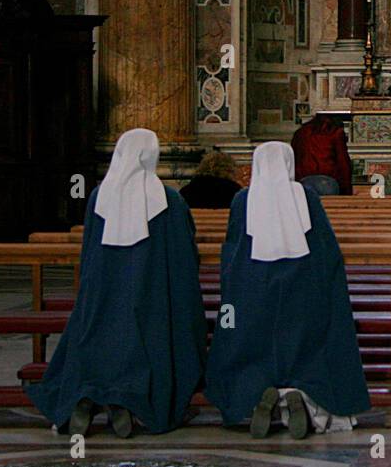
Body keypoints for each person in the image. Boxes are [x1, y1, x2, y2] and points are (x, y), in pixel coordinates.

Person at [26, 129, 207, 438]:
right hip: (151, 300)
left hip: (103, 297)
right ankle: (128, 401)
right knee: (156, 342)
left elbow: (90, 253)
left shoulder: (99, 197)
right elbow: (184, 258)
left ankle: (89, 396)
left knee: (94, 337)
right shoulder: (170, 201)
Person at [204, 141, 371, 438]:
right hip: (302, 292)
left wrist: (233, 295)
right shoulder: (306, 198)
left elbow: (233, 252)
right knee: (310, 340)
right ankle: (300, 393)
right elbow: (326, 251)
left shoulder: (243, 200)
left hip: (252, 293)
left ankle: (261, 393)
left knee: (245, 340)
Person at [291, 113, 353, 196]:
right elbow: (343, 163)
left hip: (304, 181)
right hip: (328, 181)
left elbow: (294, 160)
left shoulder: (301, 133)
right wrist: (347, 192)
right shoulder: (335, 133)